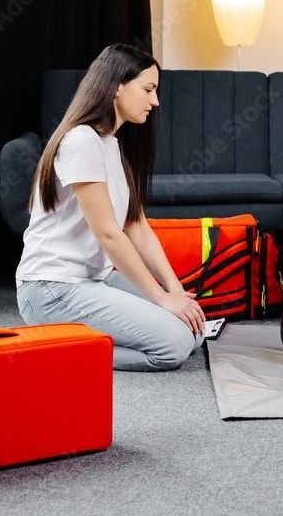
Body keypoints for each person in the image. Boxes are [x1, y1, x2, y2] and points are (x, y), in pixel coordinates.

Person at [16, 44, 206, 371]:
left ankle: (79, 336)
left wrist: (175, 289)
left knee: (194, 330)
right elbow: (108, 234)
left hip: (94, 279)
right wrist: (160, 299)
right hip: (52, 287)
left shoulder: (110, 143)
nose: (155, 101)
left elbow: (137, 227)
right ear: (118, 85)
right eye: (148, 89)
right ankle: (49, 350)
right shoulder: (80, 141)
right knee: (173, 345)